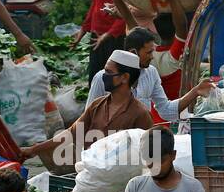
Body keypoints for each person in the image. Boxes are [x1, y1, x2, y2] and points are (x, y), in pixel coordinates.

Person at [22, 50, 154, 171]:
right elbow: (71, 134)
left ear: (124, 77)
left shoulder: (140, 114)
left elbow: (150, 154)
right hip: (90, 172)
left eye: (108, 72)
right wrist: (34, 149)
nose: (103, 76)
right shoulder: (97, 106)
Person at [86, 28, 211, 122]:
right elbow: (89, 116)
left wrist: (195, 92)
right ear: (133, 52)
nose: (152, 57)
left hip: (141, 140)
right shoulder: (102, 78)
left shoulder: (151, 73)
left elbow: (166, 110)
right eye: (149, 52)